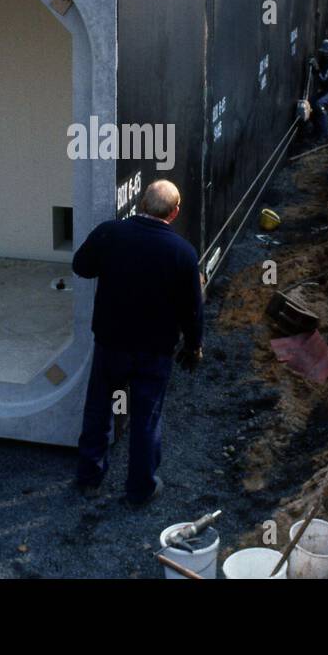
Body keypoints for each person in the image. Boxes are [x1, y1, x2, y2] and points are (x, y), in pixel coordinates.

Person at [71, 179, 203, 506]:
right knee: (146, 418)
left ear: (143, 203)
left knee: (100, 409)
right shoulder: (183, 254)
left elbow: (81, 267)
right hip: (154, 351)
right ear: (175, 212)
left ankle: (89, 479)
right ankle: (139, 490)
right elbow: (192, 309)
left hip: (111, 344)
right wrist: (193, 346)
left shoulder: (110, 233)